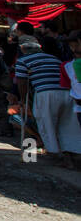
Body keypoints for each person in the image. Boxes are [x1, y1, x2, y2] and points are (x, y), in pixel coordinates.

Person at [16, 34, 77, 167]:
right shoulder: (53, 58)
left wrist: (23, 99)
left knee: (47, 123)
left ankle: (55, 153)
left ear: (22, 48)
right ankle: (70, 155)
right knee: (66, 125)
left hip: (46, 93)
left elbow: (22, 82)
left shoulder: (23, 60)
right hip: (67, 93)